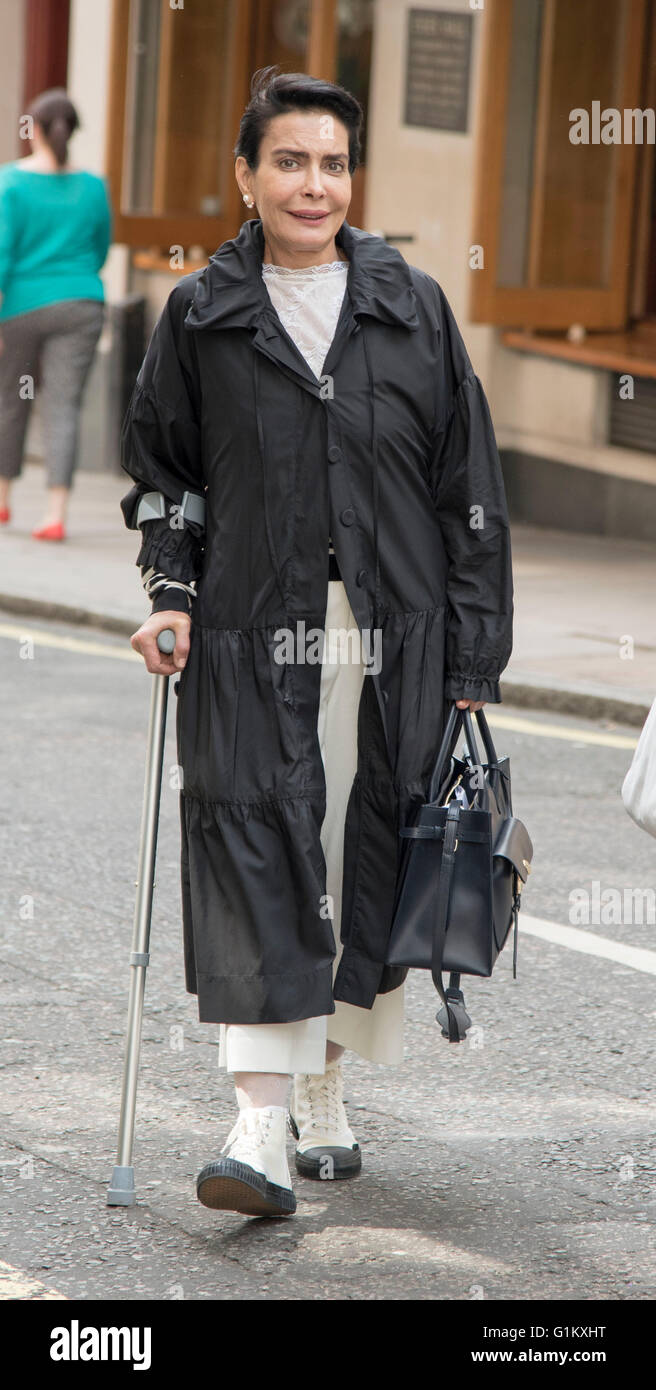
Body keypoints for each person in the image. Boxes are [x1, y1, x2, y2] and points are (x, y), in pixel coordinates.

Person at [121, 66, 513, 1220]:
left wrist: (474, 662)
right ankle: (255, 1125)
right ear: (244, 176)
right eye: (287, 161)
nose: (312, 184)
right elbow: (165, 471)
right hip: (252, 632)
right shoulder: (201, 313)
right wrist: (168, 589)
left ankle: (325, 1084)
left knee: (358, 860)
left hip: (393, 637)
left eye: (332, 163)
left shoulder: (412, 304)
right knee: (256, 848)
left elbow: (467, 491)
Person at [0, 88, 112, 539]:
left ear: (36, 131)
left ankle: (4, 500)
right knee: (63, 406)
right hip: (81, 303)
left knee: (11, 401)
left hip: (22, 306)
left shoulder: (11, 182)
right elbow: (101, 249)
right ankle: (55, 514)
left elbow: (2, 256)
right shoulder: (93, 186)